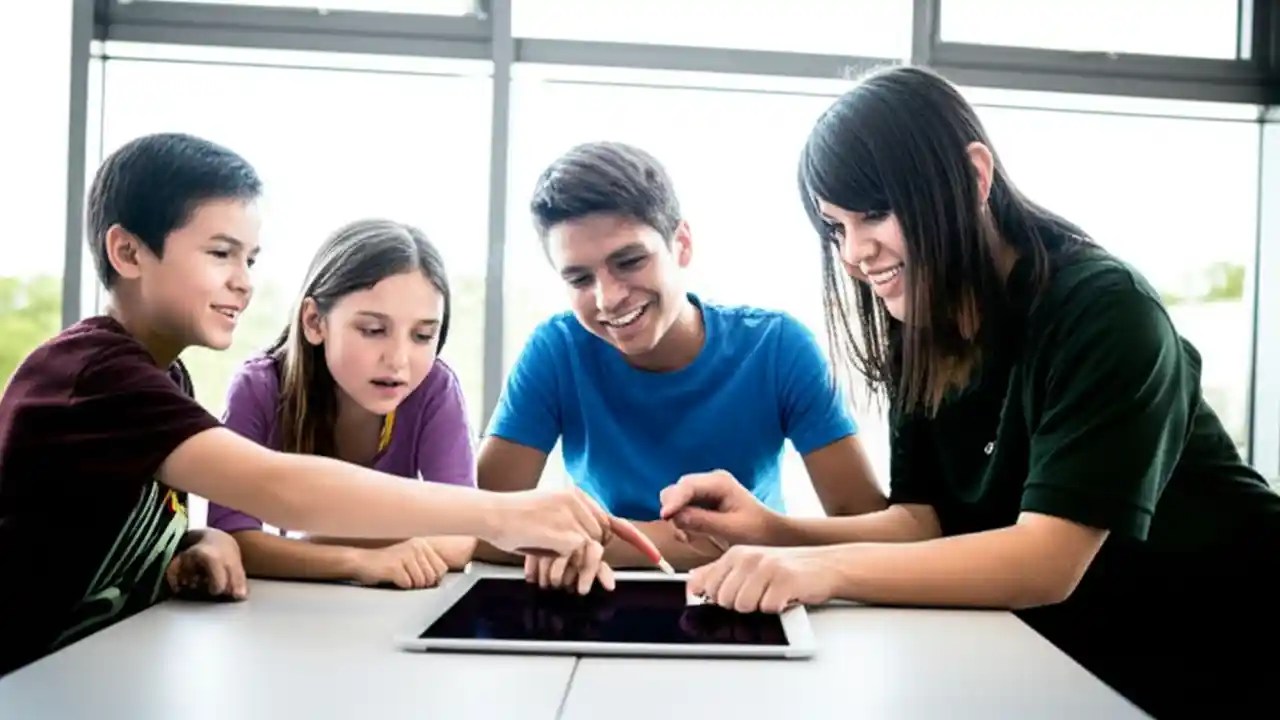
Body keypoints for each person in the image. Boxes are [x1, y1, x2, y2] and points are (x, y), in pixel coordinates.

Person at [656, 65, 1280, 717]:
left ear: (975, 177)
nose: (853, 253)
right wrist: (772, 532)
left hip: (1231, 635)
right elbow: (923, 521)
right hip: (1086, 653)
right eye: (836, 227)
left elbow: (1047, 559)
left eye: (874, 213)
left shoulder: (1105, 309)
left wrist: (825, 569)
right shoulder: (919, 322)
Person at [0, 132, 651, 677]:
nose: (245, 281)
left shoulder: (161, 380)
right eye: (221, 253)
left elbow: (122, 528)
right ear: (127, 251)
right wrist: (504, 512)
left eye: (250, 258)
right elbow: (277, 488)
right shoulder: (93, 375)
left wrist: (198, 541)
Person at [475, 141, 886, 592]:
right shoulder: (556, 350)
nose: (608, 298)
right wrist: (678, 542)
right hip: (602, 593)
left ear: (682, 244)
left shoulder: (778, 348)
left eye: (629, 261)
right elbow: (477, 521)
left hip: (749, 595)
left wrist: (587, 541)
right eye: (579, 278)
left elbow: (865, 526)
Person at [207, 218, 477, 589]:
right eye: (373, 330)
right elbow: (235, 538)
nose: (398, 358)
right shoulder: (259, 389)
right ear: (315, 321)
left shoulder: (435, 389)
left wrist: (312, 547)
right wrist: (360, 561)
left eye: (423, 335)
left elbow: (460, 535)